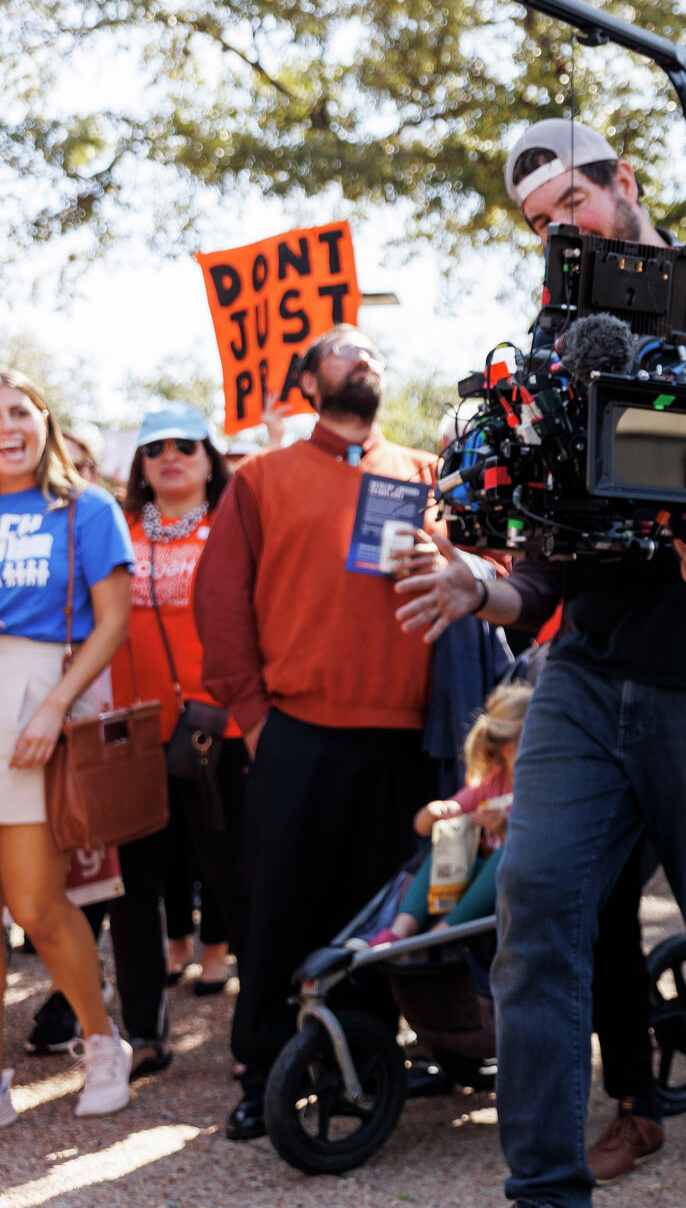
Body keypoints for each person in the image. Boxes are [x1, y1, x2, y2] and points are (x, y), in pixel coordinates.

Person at [395, 118, 686, 1208]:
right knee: (535, 920)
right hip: (586, 675)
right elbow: (546, 577)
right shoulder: (553, 341)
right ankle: (545, 1189)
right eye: (538, 222)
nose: (561, 233)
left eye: (573, 204)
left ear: (628, 183)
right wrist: (481, 589)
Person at [192, 324, 445, 1142]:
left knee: (376, 920)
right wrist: (256, 718)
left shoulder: (423, 475)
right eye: (341, 349)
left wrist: (444, 555)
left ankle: (366, 1065)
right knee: (279, 908)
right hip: (295, 730)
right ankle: (266, 1070)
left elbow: (487, 576)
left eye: (372, 348)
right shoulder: (261, 477)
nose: (361, 355)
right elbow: (220, 602)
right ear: (309, 380)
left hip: (405, 739)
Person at [0, 370, 136, 1122]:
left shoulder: (86, 508)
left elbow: (112, 621)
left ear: (44, 418)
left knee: (37, 903)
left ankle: (101, 1040)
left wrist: (54, 706)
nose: (7, 427)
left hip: (36, 690)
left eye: (18, 410)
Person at [102, 404, 248, 1076]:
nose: (169, 456)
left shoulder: (232, 528)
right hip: (131, 737)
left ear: (208, 456)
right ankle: (144, 1034)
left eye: (184, 445)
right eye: (153, 446)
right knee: (134, 890)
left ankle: (261, 1029)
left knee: (230, 877)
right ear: (139, 463)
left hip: (218, 732)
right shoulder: (118, 533)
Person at [371, 683, 529, 945]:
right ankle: (400, 929)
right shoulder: (491, 783)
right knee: (442, 851)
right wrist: (436, 812)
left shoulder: (538, 785)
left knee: (506, 854)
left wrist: (505, 829)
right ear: (506, 747)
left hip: (516, 881)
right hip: (476, 880)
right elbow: (422, 827)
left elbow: (535, 848)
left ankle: (440, 934)